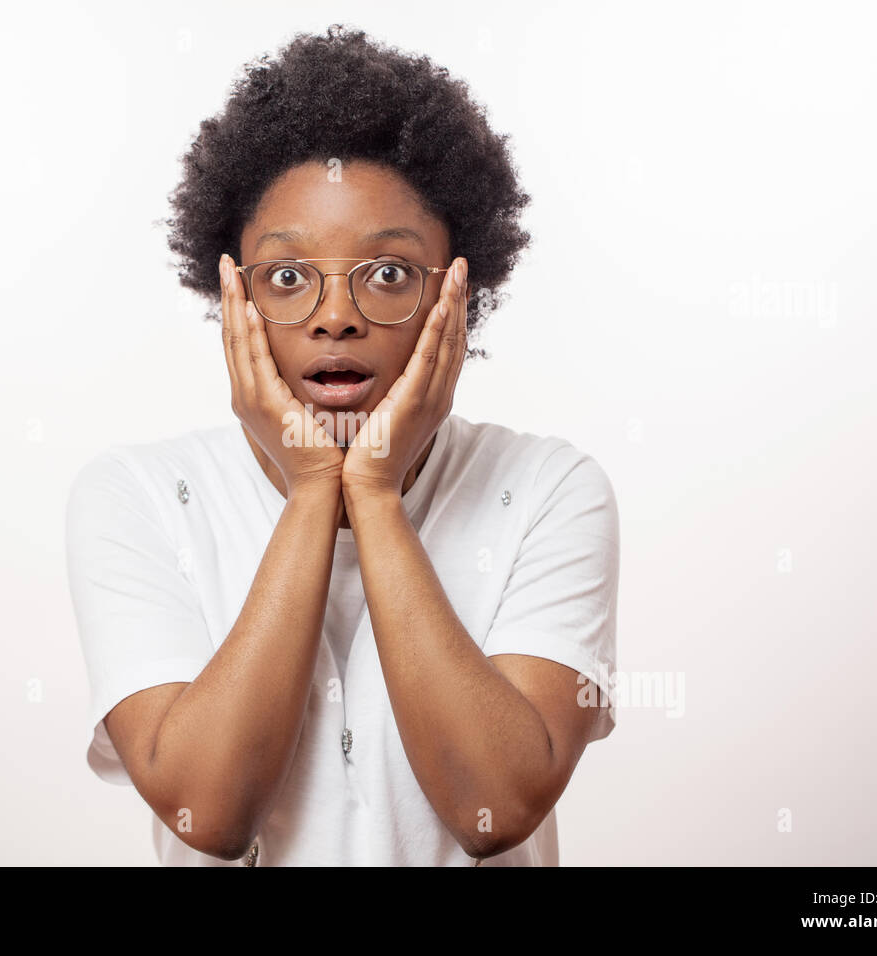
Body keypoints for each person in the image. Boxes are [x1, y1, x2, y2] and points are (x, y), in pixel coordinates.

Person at [65, 24, 619, 866]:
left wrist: (377, 495)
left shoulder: (549, 488)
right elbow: (206, 815)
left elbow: (496, 804)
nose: (336, 316)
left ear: (458, 296)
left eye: (390, 273)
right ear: (232, 298)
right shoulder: (136, 495)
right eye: (288, 278)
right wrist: (313, 485)